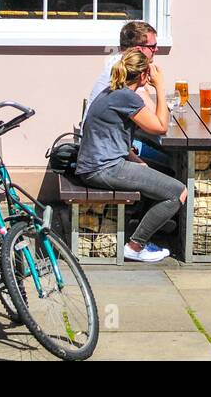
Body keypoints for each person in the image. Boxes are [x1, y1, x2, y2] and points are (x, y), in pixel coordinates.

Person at [76, 49, 185, 263]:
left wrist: (136, 160)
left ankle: (140, 225)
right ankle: (136, 246)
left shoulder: (112, 91)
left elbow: (111, 136)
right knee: (178, 192)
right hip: (104, 169)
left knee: (167, 172)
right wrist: (160, 87)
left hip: (100, 163)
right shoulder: (127, 97)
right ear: (144, 75)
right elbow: (161, 126)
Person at [85, 20, 172, 172]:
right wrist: (160, 86)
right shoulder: (130, 74)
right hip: (105, 156)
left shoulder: (120, 64)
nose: (156, 49)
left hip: (103, 145)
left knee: (164, 158)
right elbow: (160, 124)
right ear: (139, 49)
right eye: (152, 46)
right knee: (169, 162)